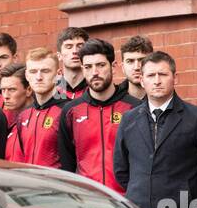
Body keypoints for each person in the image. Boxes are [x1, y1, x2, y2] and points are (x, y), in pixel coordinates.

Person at [113, 51, 197, 208]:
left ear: (175, 78)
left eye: (163, 74)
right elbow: (121, 169)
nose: (157, 81)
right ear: (141, 80)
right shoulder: (129, 119)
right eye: (150, 75)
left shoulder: (196, 117)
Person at [59, 38, 135, 190]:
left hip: (126, 202)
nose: (94, 72)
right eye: (88, 67)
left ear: (113, 67)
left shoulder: (134, 108)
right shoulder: (70, 111)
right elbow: (67, 165)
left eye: (100, 65)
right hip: (88, 202)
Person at [5, 50, 68, 167]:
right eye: (33, 72)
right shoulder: (23, 115)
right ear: (27, 75)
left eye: (45, 71)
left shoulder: (69, 111)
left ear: (58, 74)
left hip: (58, 184)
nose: (39, 77)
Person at [55, 26, 90, 100]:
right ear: (59, 56)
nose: (75, 51)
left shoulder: (95, 86)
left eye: (80, 46)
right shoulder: (53, 90)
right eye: (69, 47)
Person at [118, 34, 153, 101]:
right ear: (123, 67)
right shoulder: (113, 98)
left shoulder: (163, 98)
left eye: (142, 60)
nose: (136, 67)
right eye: (130, 61)